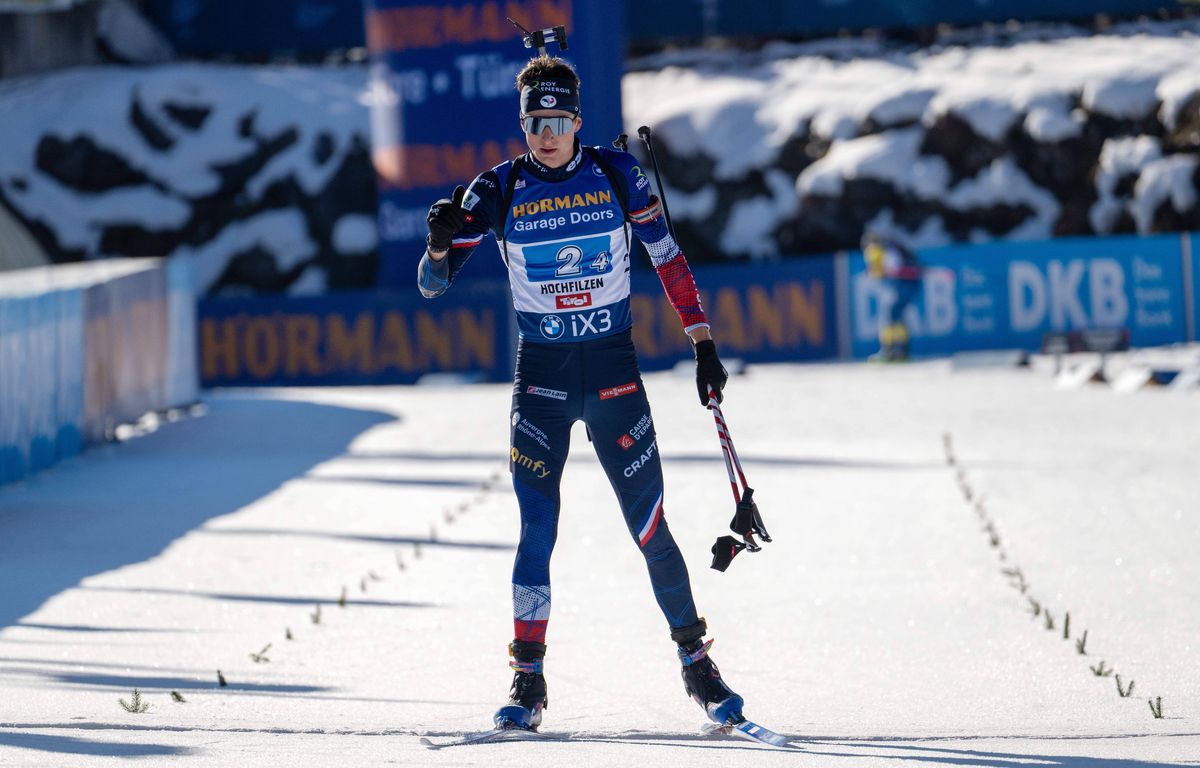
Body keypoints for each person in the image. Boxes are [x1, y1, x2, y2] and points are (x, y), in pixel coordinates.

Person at [418, 55, 743, 732]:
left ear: (577, 121)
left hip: (613, 374)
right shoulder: (498, 188)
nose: (546, 134)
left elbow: (669, 257)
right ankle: (527, 679)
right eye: (534, 122)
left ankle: (697, 664)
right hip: (541, 381)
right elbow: (430, 284)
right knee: (537, 530)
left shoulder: (616, 173)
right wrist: (440, 246)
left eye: (558, 120)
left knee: (651, 526)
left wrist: (703, 343)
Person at [862, 231, 922, 362]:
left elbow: (891, 268)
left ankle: (889, 351)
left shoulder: (883, 250)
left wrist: (880, 271)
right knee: (896, 316)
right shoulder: (891, 248)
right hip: (908, 284)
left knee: (889, 315)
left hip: (902, 285)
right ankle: (900, 350)